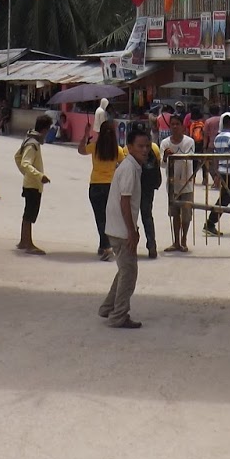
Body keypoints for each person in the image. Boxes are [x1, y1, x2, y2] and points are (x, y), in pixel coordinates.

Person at [97, 125, 150, 329]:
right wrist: (132, 231)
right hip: (121, 229)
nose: (144, 150)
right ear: (129, 147)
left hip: (116, 228)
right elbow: (125, 202)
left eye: (146, 146)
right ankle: (119, 315)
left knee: (124, 270)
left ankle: (108, 306)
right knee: (129, 272)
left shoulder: (131, 166)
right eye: (140, 146)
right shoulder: (129, 168)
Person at [81, 119, 126, 260]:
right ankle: (104, 245)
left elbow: (81, 150)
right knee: (109, 218)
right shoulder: (117, 150)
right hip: (111, 187)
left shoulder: (94, 147)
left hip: (95, 185)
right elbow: (124, 165)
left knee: (100, 218)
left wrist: (86, 134)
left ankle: (106, 247)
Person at [14, 114, 53, 254]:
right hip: (33, 185)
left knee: (27, 213)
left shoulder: (29, 139)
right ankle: (28, 243)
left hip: (30, 182)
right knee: (30, 214)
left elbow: (17, 157)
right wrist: (39, 176)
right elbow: (25, 162)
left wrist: (27, 174)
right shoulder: (33, 144)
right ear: (44, 129)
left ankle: (23, 241)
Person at [204, 113, 230, 235]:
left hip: (223, 171)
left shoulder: (218, 137)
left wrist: (217, 173)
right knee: (226, 198)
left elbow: (217, 157)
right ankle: (210, 223)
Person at [160, 114, 196, 252]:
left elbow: (189, 158)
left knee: (186, 214)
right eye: (172, 124)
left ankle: (184, 239)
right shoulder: (164, 143)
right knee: (175, 214)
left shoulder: (189, 142)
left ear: (182, 126)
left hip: (186, 183)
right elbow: (162, 165)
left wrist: (173, 155)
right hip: (172, 184)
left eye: (177, 124)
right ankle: (175, 241)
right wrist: (165, 156)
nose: (174, 127)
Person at [137, 132, 162, 259]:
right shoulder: (154, 147)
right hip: (149, 187)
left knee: (131, 217)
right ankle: (151, 244)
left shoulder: (131, 148)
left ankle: (131, 245)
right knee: (147, 215)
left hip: (135, 186)